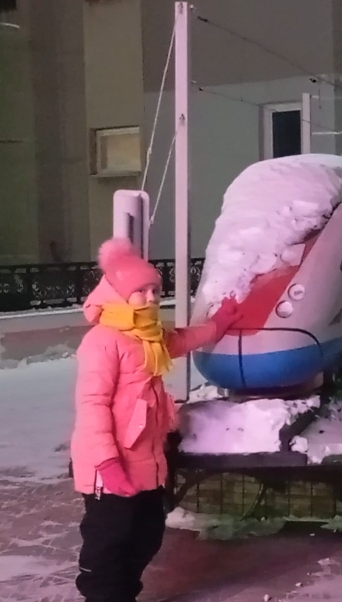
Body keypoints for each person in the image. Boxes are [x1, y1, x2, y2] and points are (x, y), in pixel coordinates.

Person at [71, 238, 240, 602]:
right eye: (140, 291)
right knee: (109, 539)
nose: (150, 298)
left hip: (146, 456)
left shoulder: (147, 334)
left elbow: (179, 341)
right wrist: (107, 463)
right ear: (118, 295)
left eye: (154, 290)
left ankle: (123, 594)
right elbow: (92, 406)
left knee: (147, 534)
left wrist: (217, 326)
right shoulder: (103, 341)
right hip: (109, 462)